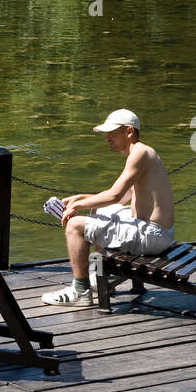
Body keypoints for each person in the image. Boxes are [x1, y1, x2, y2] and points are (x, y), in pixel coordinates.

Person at [42, 109, 176, 306]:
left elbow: (114, 195)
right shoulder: (143, 153)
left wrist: (78, 206)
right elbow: (120, 198)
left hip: (152, 235)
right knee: (100, 211)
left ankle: (80, 291)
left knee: (75, 226)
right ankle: (99, 276)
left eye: (112, 133)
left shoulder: (139, 153)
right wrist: (79, 198)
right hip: (157, 233)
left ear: (129, 132)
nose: (107, 138)